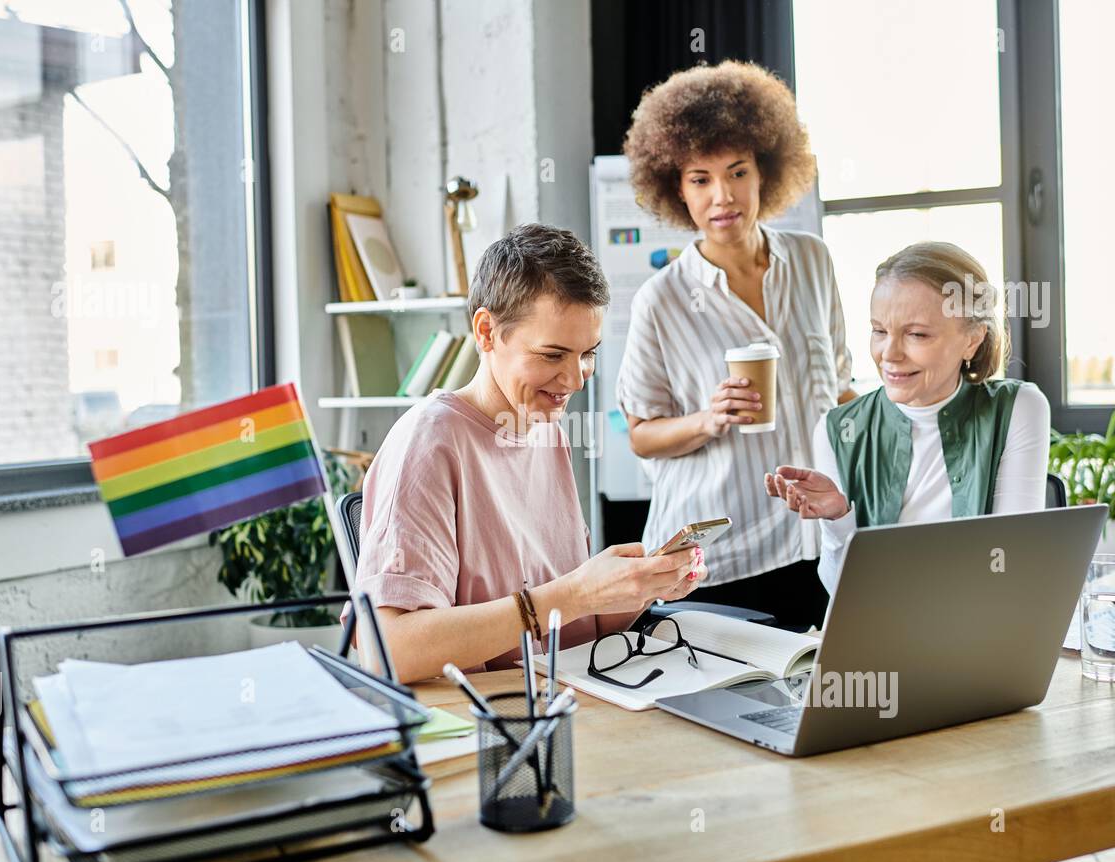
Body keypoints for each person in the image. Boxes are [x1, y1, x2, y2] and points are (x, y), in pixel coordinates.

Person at [345, 223, 708, 684]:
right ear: (487, 331)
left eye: (587, 355)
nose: (576, 380)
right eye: (553, 355)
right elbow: (388, 650)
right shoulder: (430, 442)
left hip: (566, 706)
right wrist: (574, 594)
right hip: (490, 725)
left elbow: (572, 626)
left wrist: (637, 587)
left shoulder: (544, 428)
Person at [615, 60, 857, 630]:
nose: (722, 196)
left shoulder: (812, 261)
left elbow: (843, 392)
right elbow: (641, 435)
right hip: (721, 560)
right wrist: (708, 418)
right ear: (676, 189)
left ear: (764, 172)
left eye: (737, 171)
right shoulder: (661, 300)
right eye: (700, 179)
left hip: (818, 546)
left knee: (818, 707)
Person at [764, 241, 1051, 595]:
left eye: (917, 334)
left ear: (972, 340)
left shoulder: (1018, 408)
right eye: (879, 331)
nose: (890, 354)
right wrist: (839, 520)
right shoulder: (838, 430)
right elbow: (844, 595)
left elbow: (1011, 563)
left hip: (979, 631)